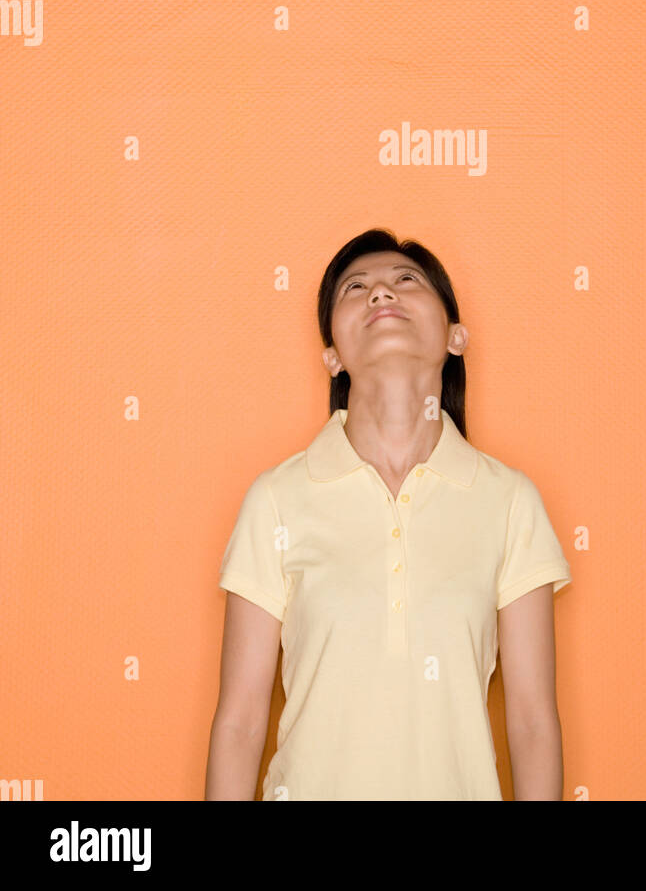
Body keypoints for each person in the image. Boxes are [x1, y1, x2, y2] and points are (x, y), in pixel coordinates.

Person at [205, 228, 571, 800]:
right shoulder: (276, 498)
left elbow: (530, 723)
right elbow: (240, 722)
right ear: (331, 355)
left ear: (455, 336)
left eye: (406, 281)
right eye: (356, 287)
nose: (381, 294)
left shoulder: (508, 501)